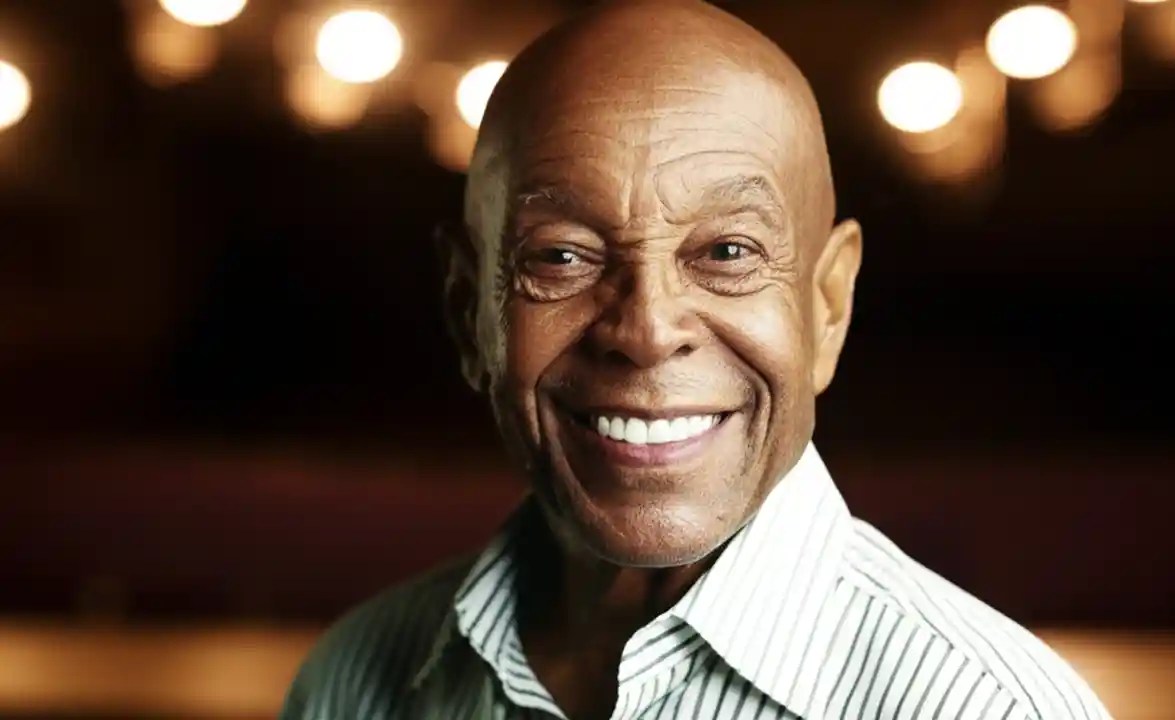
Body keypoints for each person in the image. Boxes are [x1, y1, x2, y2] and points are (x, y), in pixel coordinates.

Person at [280, 1, 1112, 717]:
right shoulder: (352, 683)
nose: (645, 332)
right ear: (471, 316)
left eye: (726, 251)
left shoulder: (991, 707)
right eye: (562, 257)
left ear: (827, 308)